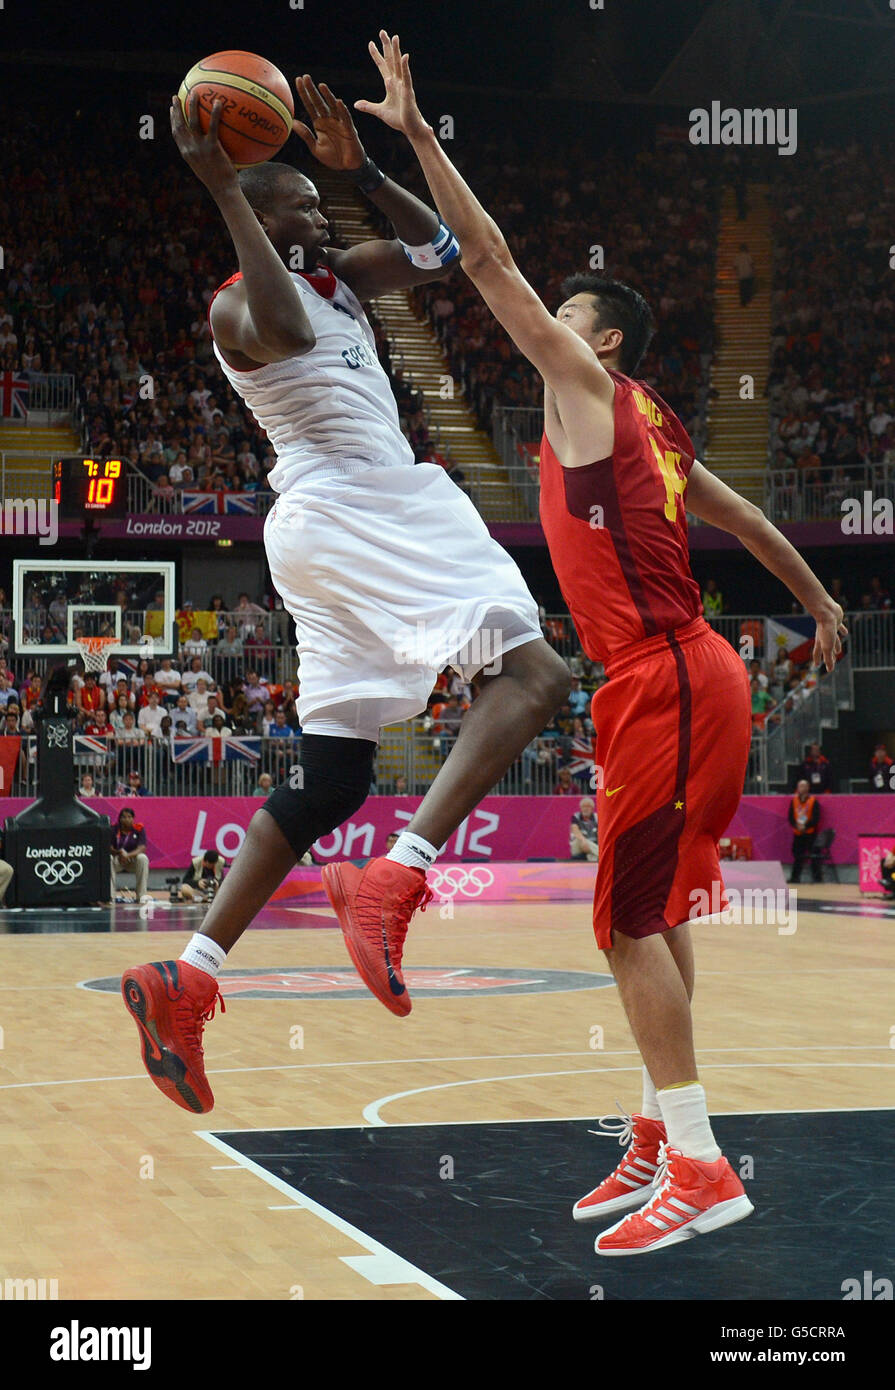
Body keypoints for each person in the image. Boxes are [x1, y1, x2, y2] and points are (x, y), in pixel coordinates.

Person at [357, 33, 847, 1256]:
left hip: (664, 675)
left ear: (600, 340)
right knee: (663, 905)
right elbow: (741, 517)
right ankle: (651, 1130)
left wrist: (415, 136)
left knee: (625, 925)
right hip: (691, 674)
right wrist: (823, 601)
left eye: (566, 315)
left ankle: (699, 1164)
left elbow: (482, 259)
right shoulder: (657, 421)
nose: (547, 325)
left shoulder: (582, 382)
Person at [121, 54, 568, 1118]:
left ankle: (189, 972)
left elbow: (440, 250)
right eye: (302, 206)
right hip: (359, 507)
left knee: (331, 783)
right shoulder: (241, 305)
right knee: (539, 675)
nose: (317, 221)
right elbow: (278, 325)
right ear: (256, 207)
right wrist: (230, 189)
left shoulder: (339, 275)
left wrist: (361, 166)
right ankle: (397, 877)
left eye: (323, 209)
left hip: (334, 529)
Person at [111, 808, 150, 901]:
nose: (127, 819)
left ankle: (141, 896)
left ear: (133, 819)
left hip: (132, 860)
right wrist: (118, 853)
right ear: (119, 819)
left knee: (143, 858)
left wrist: (127, 855)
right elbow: (109, 847)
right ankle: (110, 896)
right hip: (118, 860)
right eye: (124, 817)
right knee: (108, 859)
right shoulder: (113, 828)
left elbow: (142, 848)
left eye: (129, 817)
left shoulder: (139, 828)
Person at [788, 780, 821, 884]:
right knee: (797, 856)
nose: (802, 788)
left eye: (804, 786)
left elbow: (816, 818)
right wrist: (797, 826)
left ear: (808, 788)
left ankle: (817, 878)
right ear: (797, 788)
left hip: (810, 833)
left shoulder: (813, 801)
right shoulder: (794, 801)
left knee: (814, 856)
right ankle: (795, 878)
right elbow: (791, 817)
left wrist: (805, 826)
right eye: (800, 786)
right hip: (798, 833)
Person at [570, 797, 599, 862]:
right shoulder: (576, 816)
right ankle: (601, 854)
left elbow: (600, 833)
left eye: (588, 806)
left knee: (592, 856)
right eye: (584, 806)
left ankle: (593, 857)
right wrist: (584, 841)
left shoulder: (596, 817)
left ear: (592, 808)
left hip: (593, 845)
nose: (586, 808)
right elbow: (575, 831)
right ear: (581, 808)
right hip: (580, 844)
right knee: (577, 840)